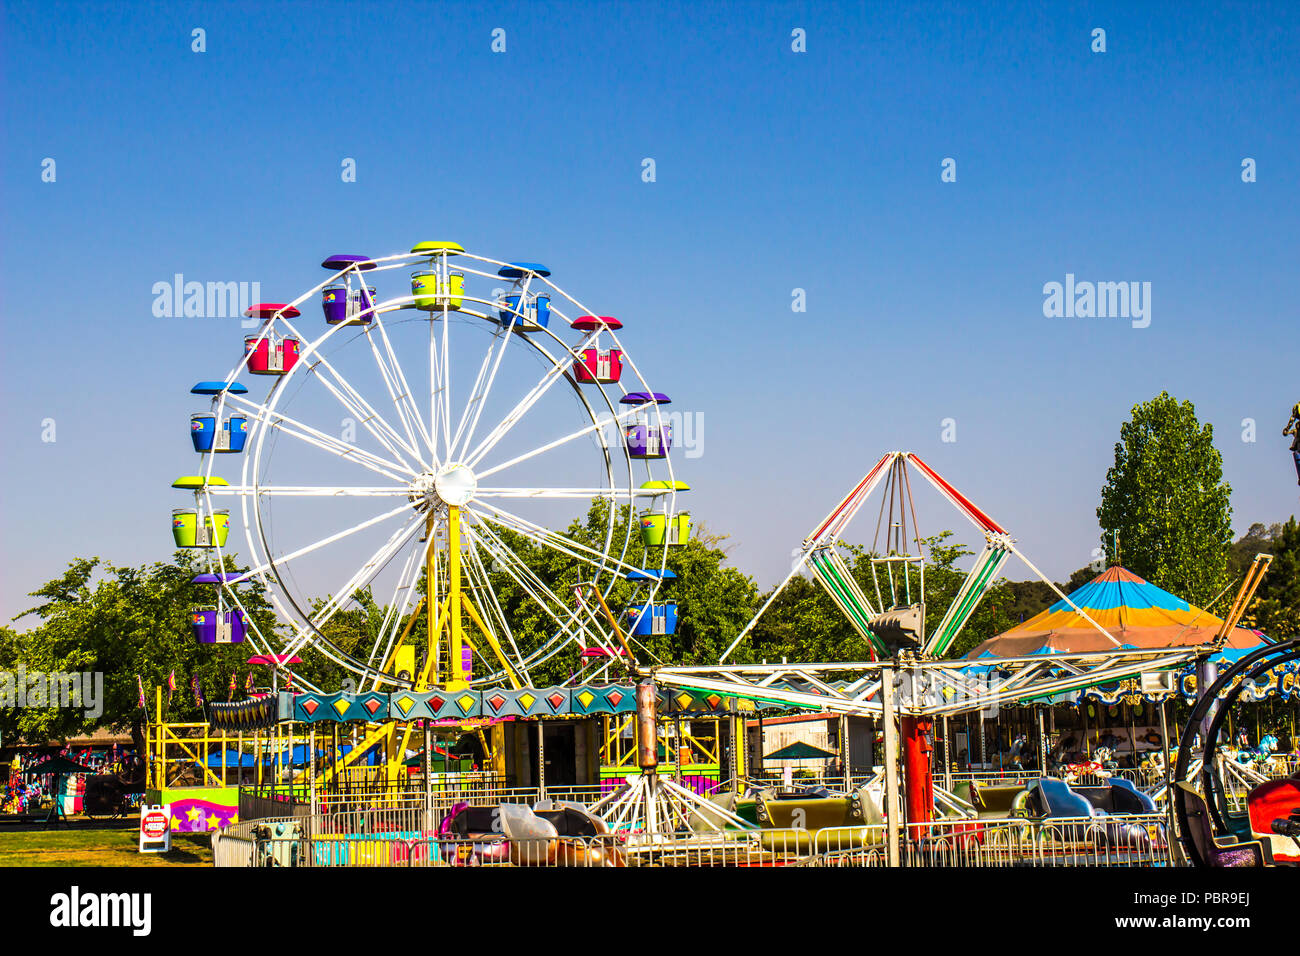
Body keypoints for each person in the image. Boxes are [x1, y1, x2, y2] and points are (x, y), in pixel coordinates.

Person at [1285, 401, 1300, 486]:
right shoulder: (1297, 407)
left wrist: (1287, 429)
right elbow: (1292, 419)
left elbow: (1292, 419)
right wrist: (1287, 429)